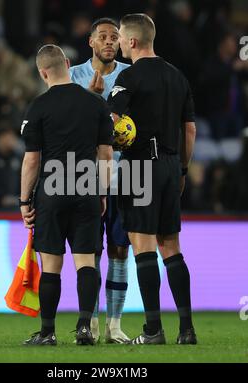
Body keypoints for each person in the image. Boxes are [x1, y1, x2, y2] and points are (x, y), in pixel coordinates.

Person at [108, 14, 197, 345]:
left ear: (132, 41)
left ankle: (153, 330)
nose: (117, 42)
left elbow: (112, 120)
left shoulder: (128, 78)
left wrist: (114, 136)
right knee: (171, 245)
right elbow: (190, 129)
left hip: (139, 164)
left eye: (118, 37)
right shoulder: (178, 77)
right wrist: (183, 169)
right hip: (172, 164)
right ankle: (187, 329)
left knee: (142, 244)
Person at [20, 44, 113, 346]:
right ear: (68, 64)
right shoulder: (96, 104)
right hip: (86, 187)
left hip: (51, 189)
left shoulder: (38, 107)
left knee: (52, 266)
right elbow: (106, 154)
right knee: (86, 262)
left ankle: (47, 332)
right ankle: (85, 327)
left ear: (42, 72)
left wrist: (24, 201)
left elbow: (32, 160)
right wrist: (102, 192)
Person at [70, 17, 130, 344]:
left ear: (121, 43)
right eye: (103, 37)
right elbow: (68, 125)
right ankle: (90, 324)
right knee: (89, 252)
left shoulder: (130, 76)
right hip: (84, 178)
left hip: (125, 176)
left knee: (120, 249)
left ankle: (115, 325)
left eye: (114, 37)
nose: (109, 42)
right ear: (90, 42)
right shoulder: (73, 77)